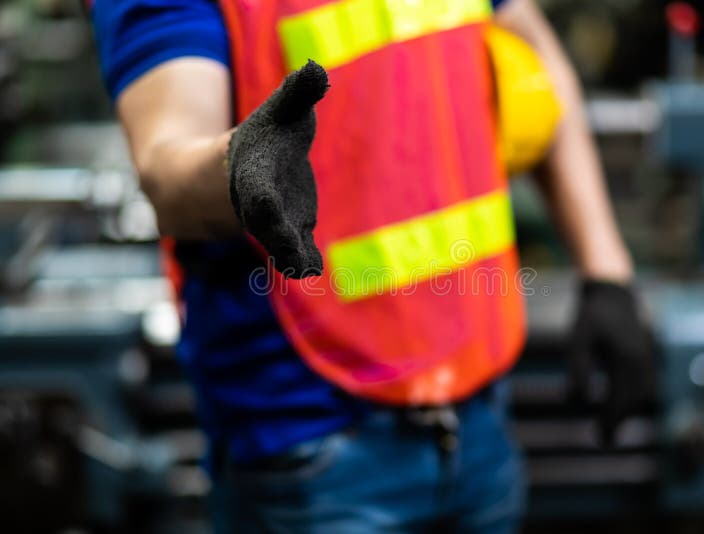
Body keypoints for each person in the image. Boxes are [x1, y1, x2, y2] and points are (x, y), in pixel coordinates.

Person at [89, 0, 653, 531]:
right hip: (312, 443)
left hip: (479, 412)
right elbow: (167, 160)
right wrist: (241, 167)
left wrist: (605, 269)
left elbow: (531, 58)